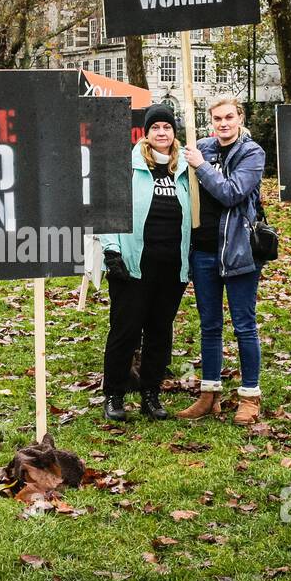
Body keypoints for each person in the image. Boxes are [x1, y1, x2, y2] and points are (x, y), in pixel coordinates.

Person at [177, 97, 267, 425]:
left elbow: (232, 193)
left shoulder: (252, 153)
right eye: (217, 118)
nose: (223, 123)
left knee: (244, 324)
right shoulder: (202, 146)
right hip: (203, 251)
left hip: (240, 250)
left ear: (240, 117)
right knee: (209, 324)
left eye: (229, 117)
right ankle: (209, 394)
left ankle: (250, 396)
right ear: (210, 120)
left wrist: (201, 166)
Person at [99, 103, 191, 422]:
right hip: (133, 264)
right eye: (156, 128)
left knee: (159, 332)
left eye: (167, 127)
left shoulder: (185, 169)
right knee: (125, 331)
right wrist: (111, 250)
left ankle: (151, 394)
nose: (161, 132)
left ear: (173, 133)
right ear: (146, 133)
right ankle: (114, 394)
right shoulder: (130, 165)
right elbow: (109, 207)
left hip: (171, 266)